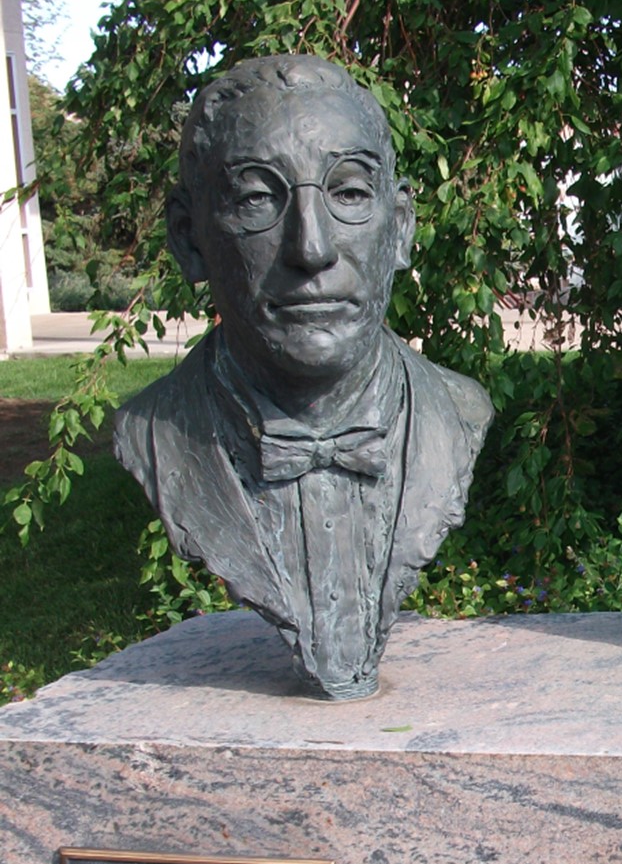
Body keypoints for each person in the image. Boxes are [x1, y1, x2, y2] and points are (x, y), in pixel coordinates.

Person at [115, 54, 492, 701]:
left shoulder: (460, 414)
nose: (311, 248)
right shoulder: (150, 432)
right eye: (257, 197)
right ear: (190, 238)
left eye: (347, 192)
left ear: (399, 229)